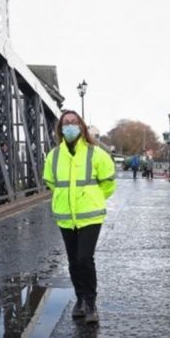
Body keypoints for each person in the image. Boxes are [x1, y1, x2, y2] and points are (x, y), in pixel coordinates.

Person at [43, 110, 116, 324]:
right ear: (60, 128)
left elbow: (109, 182)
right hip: (66, 215)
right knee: (73, 261)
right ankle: (80, 299)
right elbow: (51, 182)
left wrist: (94, 198)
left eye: (74, 122)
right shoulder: (54, 155)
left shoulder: (96, 153)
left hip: (90, 215)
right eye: (66, 123)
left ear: (82, 126)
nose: (70, 126)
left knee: (85, 258)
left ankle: (91, 302)